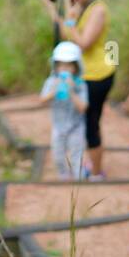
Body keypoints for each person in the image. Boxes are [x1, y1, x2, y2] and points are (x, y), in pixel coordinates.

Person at [39, 0, 115, 180]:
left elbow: (83, 43)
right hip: (82, 75)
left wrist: (71, 21)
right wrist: (51, 6)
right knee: (79, 123)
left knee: (91, 124)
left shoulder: (97, 10)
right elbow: (64, 34)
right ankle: (85, 164)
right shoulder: (76, 8)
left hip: (98, 76)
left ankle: (97, 173)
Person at [38, 41, 88, 179]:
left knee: (76, 154)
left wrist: (71, 91)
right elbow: (42, 100)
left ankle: (79, 179)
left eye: (69, 65)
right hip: (58, 126)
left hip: (76, 126)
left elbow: (83, 107)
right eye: (61, 65)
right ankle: (63, 177)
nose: (64, 69)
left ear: (75, 67)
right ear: (56, 66)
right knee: (58, 154)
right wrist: (54, 90)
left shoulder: (80, 84)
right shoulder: (51, 82)